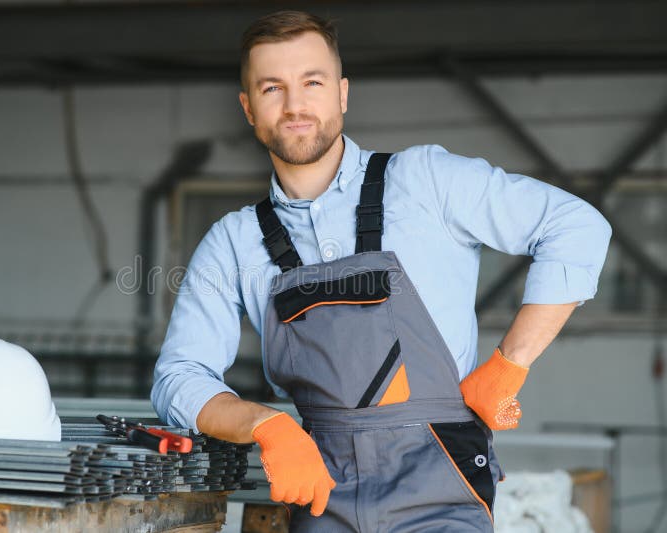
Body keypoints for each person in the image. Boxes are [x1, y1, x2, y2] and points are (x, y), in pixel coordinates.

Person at [151, 10, 612, 532]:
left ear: (343, 94)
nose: (295, 104)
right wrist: (266, 424)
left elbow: (577, 226)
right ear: (248, 108)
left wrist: (511, 364)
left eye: (312, 82)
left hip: (441, 488)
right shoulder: (233, 242)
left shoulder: (426, 182)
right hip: (323, 491)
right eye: (272, 87)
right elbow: (178, 378)